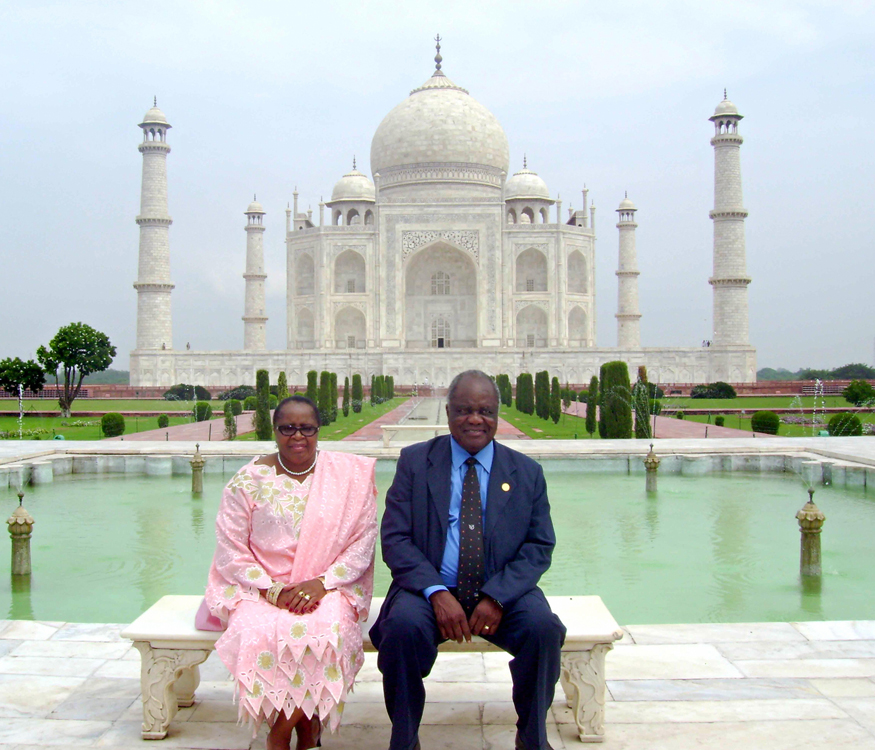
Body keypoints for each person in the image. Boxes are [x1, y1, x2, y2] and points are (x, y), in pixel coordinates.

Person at [370, 370, 566, 750]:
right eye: (464, 410)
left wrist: (498, 597)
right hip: (429, 588)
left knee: (543, 629)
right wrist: (435, 592)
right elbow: (395, 538)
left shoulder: (526, 472)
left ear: (497, 414)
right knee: (402, 630)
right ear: (447, 413)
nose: (475, 419)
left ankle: (532, 738)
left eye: (485, 411)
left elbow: (539, 545)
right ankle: (404, 739)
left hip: (502, 590)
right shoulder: (416, 462)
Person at [204, 395, 378, 750]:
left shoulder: (346, 476)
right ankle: (307, 727)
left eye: (307, 428)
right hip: (261, 588)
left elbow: (363, 541)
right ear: (274, 430)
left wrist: (321, 583)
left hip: (328, 586)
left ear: (318, 430)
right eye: (287, 428)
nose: (297, 436)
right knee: (260, 632)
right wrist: (274, 591)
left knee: (328, 631)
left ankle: (281, 732)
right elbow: (230, 549)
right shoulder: (248, 480)